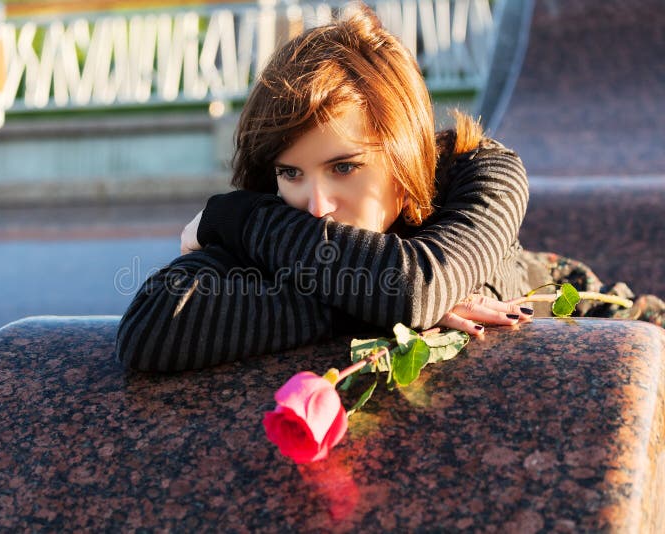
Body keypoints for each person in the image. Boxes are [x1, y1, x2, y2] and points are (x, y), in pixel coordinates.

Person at [116, 3, 663, 373]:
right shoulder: (273, 219)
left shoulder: (482, 171)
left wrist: (231, 219)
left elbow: (418, 287)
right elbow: (151, 327)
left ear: (402, 154)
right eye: (291, 173)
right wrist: (370, 303)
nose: (316, 205)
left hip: (594, 311)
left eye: (344, 167)